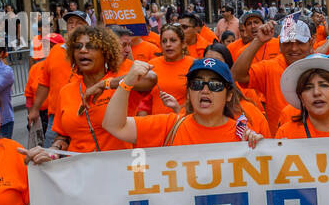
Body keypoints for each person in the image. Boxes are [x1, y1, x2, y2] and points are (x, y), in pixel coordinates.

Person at [104, 56, 263, 148]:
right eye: (197, 84)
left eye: (215, 85)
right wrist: (127, 83)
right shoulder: (169, 126)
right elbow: (115, 126)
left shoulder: (241, 135)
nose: (205, 90)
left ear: (229, 95)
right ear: (188, 92)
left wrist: (258, 147)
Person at [50, 26, 135, 152]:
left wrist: (103, 85)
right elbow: (63, 135)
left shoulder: (121, 82)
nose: (83, 50)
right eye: (78, 46)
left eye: (91, 46)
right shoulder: (66, 91)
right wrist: (56, 147)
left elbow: (149, 78)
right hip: (79, 167)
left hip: (118, 166)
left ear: (106, 52)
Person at [233, 15, 307, 131]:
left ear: (311, 41)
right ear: (280, 44)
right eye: (287, 42)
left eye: (300, 42)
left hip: (315, 142)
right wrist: (258, 40)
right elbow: (237, 76)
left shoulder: (322, 67)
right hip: (280, 142)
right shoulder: (271, 67)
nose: (293, 48)